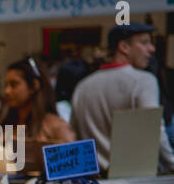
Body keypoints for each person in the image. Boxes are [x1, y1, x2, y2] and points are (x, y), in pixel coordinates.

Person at [70, 24, 174, 172]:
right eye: (144, 43)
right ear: (124, 47)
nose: (152, 49)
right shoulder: (143, 81)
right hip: (135, 179)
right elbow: (155, 130)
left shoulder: (83, 86)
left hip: (95, 181)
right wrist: (172, 164)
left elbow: (74, 136)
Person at [1, 58, 74, 142]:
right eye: (6, 85)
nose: (7, 91)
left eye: (14, 84)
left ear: (34, 85)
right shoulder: (4, 124)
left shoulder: (56, 127)